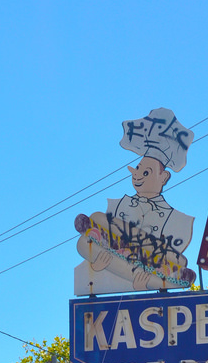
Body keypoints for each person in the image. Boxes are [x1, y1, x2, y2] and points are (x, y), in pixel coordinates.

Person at [74, 108, 195, 294]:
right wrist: (97, 267)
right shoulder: (116, 206)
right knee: (95, 221)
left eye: (146, 172)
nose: (137, 176)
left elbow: (173, 259)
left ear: (163, 177)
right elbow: (90, 248)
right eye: (138, 169)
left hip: (153, 271)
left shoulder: (179, 220)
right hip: (120, 264)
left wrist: (144, 284)